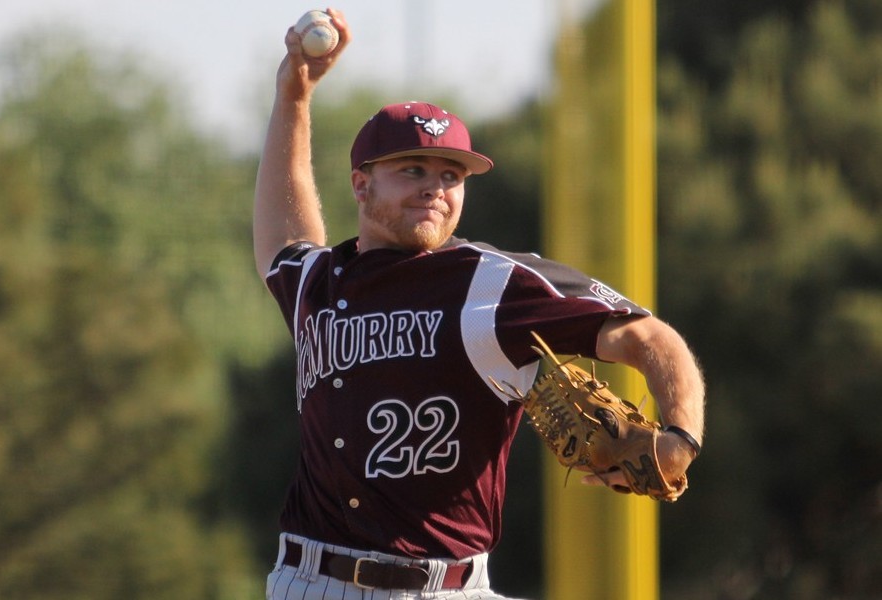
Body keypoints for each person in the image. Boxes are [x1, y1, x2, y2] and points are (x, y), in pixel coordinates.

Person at [253, 8, 705, 600]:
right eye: (412, 169)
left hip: (450, 586)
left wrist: (682, 437)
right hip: (311, 582)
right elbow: (285, 234)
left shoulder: (491, 283)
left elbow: (648, 336)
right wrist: (294, 95)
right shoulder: (318, 283)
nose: (434, 188)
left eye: (452, 175)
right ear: (362, 184)